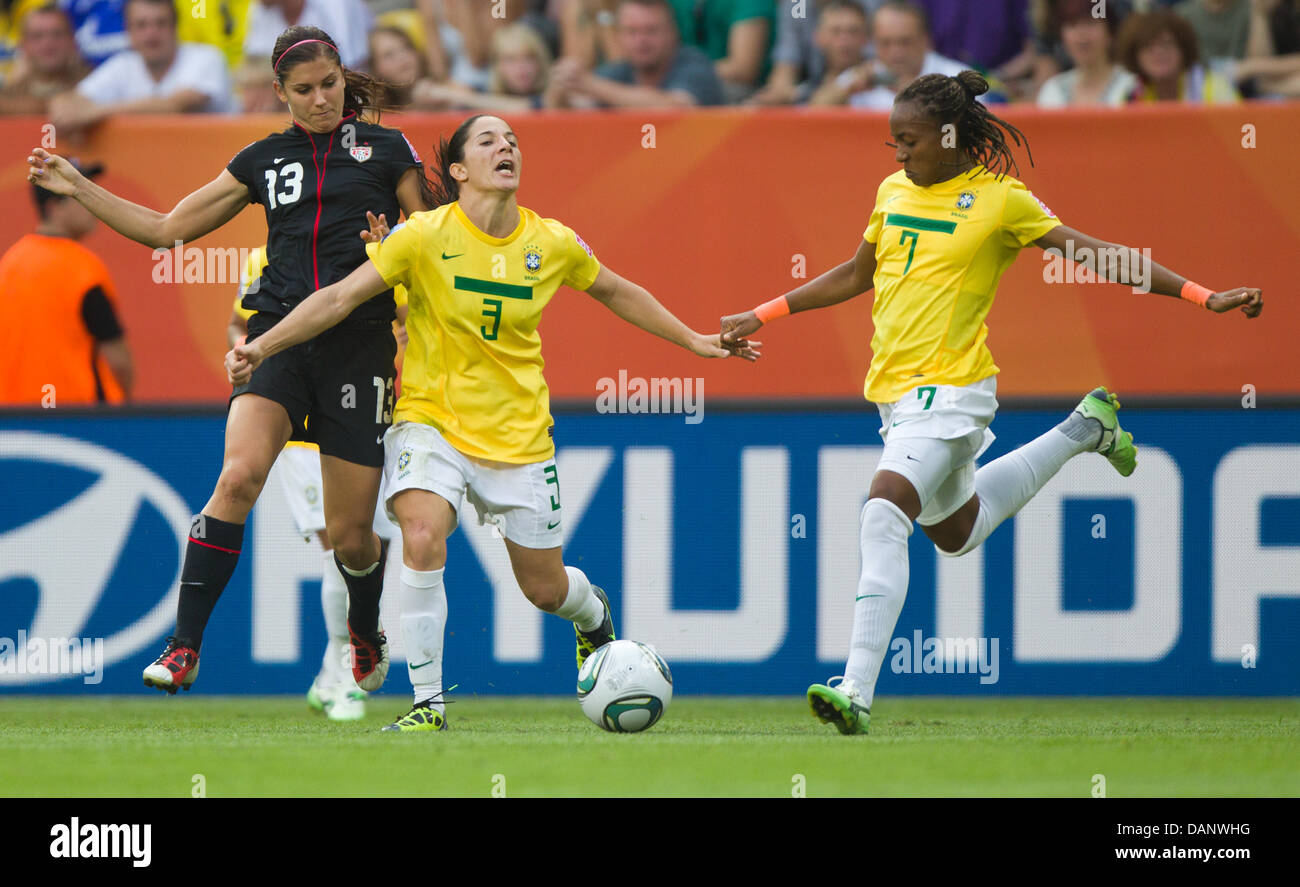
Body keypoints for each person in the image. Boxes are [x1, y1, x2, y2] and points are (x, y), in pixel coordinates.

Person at [720, 70, 1262, 735]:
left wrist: (1203, 295)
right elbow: (857, 273)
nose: (898, 153)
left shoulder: (1001, 201)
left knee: (883, 511)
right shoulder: (892, 191)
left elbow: (1098, 255)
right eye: (893, 140)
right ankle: (1084, 429)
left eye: (909, 140)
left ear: (949, 136)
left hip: (950, 391)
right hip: (897, 398)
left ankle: (855, 689)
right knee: (956, 531)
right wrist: (765, 311)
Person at [226, 114, 758, 732]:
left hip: (519, 437)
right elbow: (340, 296)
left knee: (544, 589)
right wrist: (263, 346)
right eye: (488, 142)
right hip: (430, 421)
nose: (506, 148)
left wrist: (694, 340)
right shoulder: (422, 235)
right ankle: (428, 706)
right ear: (457, 170)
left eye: (512, 142)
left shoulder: (552, 242)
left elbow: (615, 291)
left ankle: (592, 616)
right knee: (421, 534)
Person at [27, 25, 436, 697]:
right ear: (278, 93)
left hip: (361, 347)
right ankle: (184, 645)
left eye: (330, 84)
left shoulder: (388, 150)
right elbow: (166, 231)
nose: (320, 100)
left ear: (343, 78)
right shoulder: (262, 160)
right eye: (302, 90)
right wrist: (78, 187)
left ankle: (365, 629)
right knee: (239, 476)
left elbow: (434, 240)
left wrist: (402, 243)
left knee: (351, 536)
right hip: (275, 335)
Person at [227, 245, 409, 720]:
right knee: (338, 542)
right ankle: (343, 677)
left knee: (370, 546)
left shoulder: (388, 253)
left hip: (379, 415)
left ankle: (331, 672)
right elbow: (241, 324)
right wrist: (246, 356)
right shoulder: (268, 255)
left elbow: (413, 323)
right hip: (306, 425)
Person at [0, 158, 133, 406]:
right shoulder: (84, 268)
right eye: (80, 195)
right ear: (54, 206)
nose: (92, 205)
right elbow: (119, 362)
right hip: (79, 422)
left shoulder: (8, 264)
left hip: (12, 423)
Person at [49, 0, 236, 139]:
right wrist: (66, 109)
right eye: (141, 25)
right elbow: (67, 101)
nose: (151, 33)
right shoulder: (123, 64)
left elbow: (171, 106)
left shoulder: (206, 58)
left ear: (175, 27)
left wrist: (93, 113)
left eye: (160, 23)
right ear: (128, 31)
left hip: (216, 163)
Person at [547, 0, 726, 108]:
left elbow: (675, 109)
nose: (641, 41)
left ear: (673, 33)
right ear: (619, 35)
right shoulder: (617, 72)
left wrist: (591, 85)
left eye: (651, 31)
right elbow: (579, 110)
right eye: (632, 32)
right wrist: (560, 93)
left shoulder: (695, 64)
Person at [846, 1, 994, 110]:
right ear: (873, 42)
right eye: (886, 43)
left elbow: (974, 132)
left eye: (905, 42)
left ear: (926, 40)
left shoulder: (959, 77)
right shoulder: (863, 75)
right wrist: (844, 88)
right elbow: (823, 111)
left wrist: (917, 95)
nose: (896, 52)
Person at [1117, 8, 1240, 101]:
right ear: (1135, 56)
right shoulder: (1131, 97)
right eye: (1148, 46)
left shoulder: (1214, 89)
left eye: (1166, 44)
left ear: (1183, 49)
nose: (1158, 52)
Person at [1035, 0, 1136, 106]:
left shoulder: (1131, 86)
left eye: (1090, 23)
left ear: (1110, 33)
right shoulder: (1052, 91)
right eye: (1072, 25)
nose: (1082, 34)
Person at [0, 3, 89, 115]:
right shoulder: (10, 91)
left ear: (72, 40)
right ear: (23, 45)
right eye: (38, 36)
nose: (48, 44)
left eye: (57, 34)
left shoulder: (93, 82)